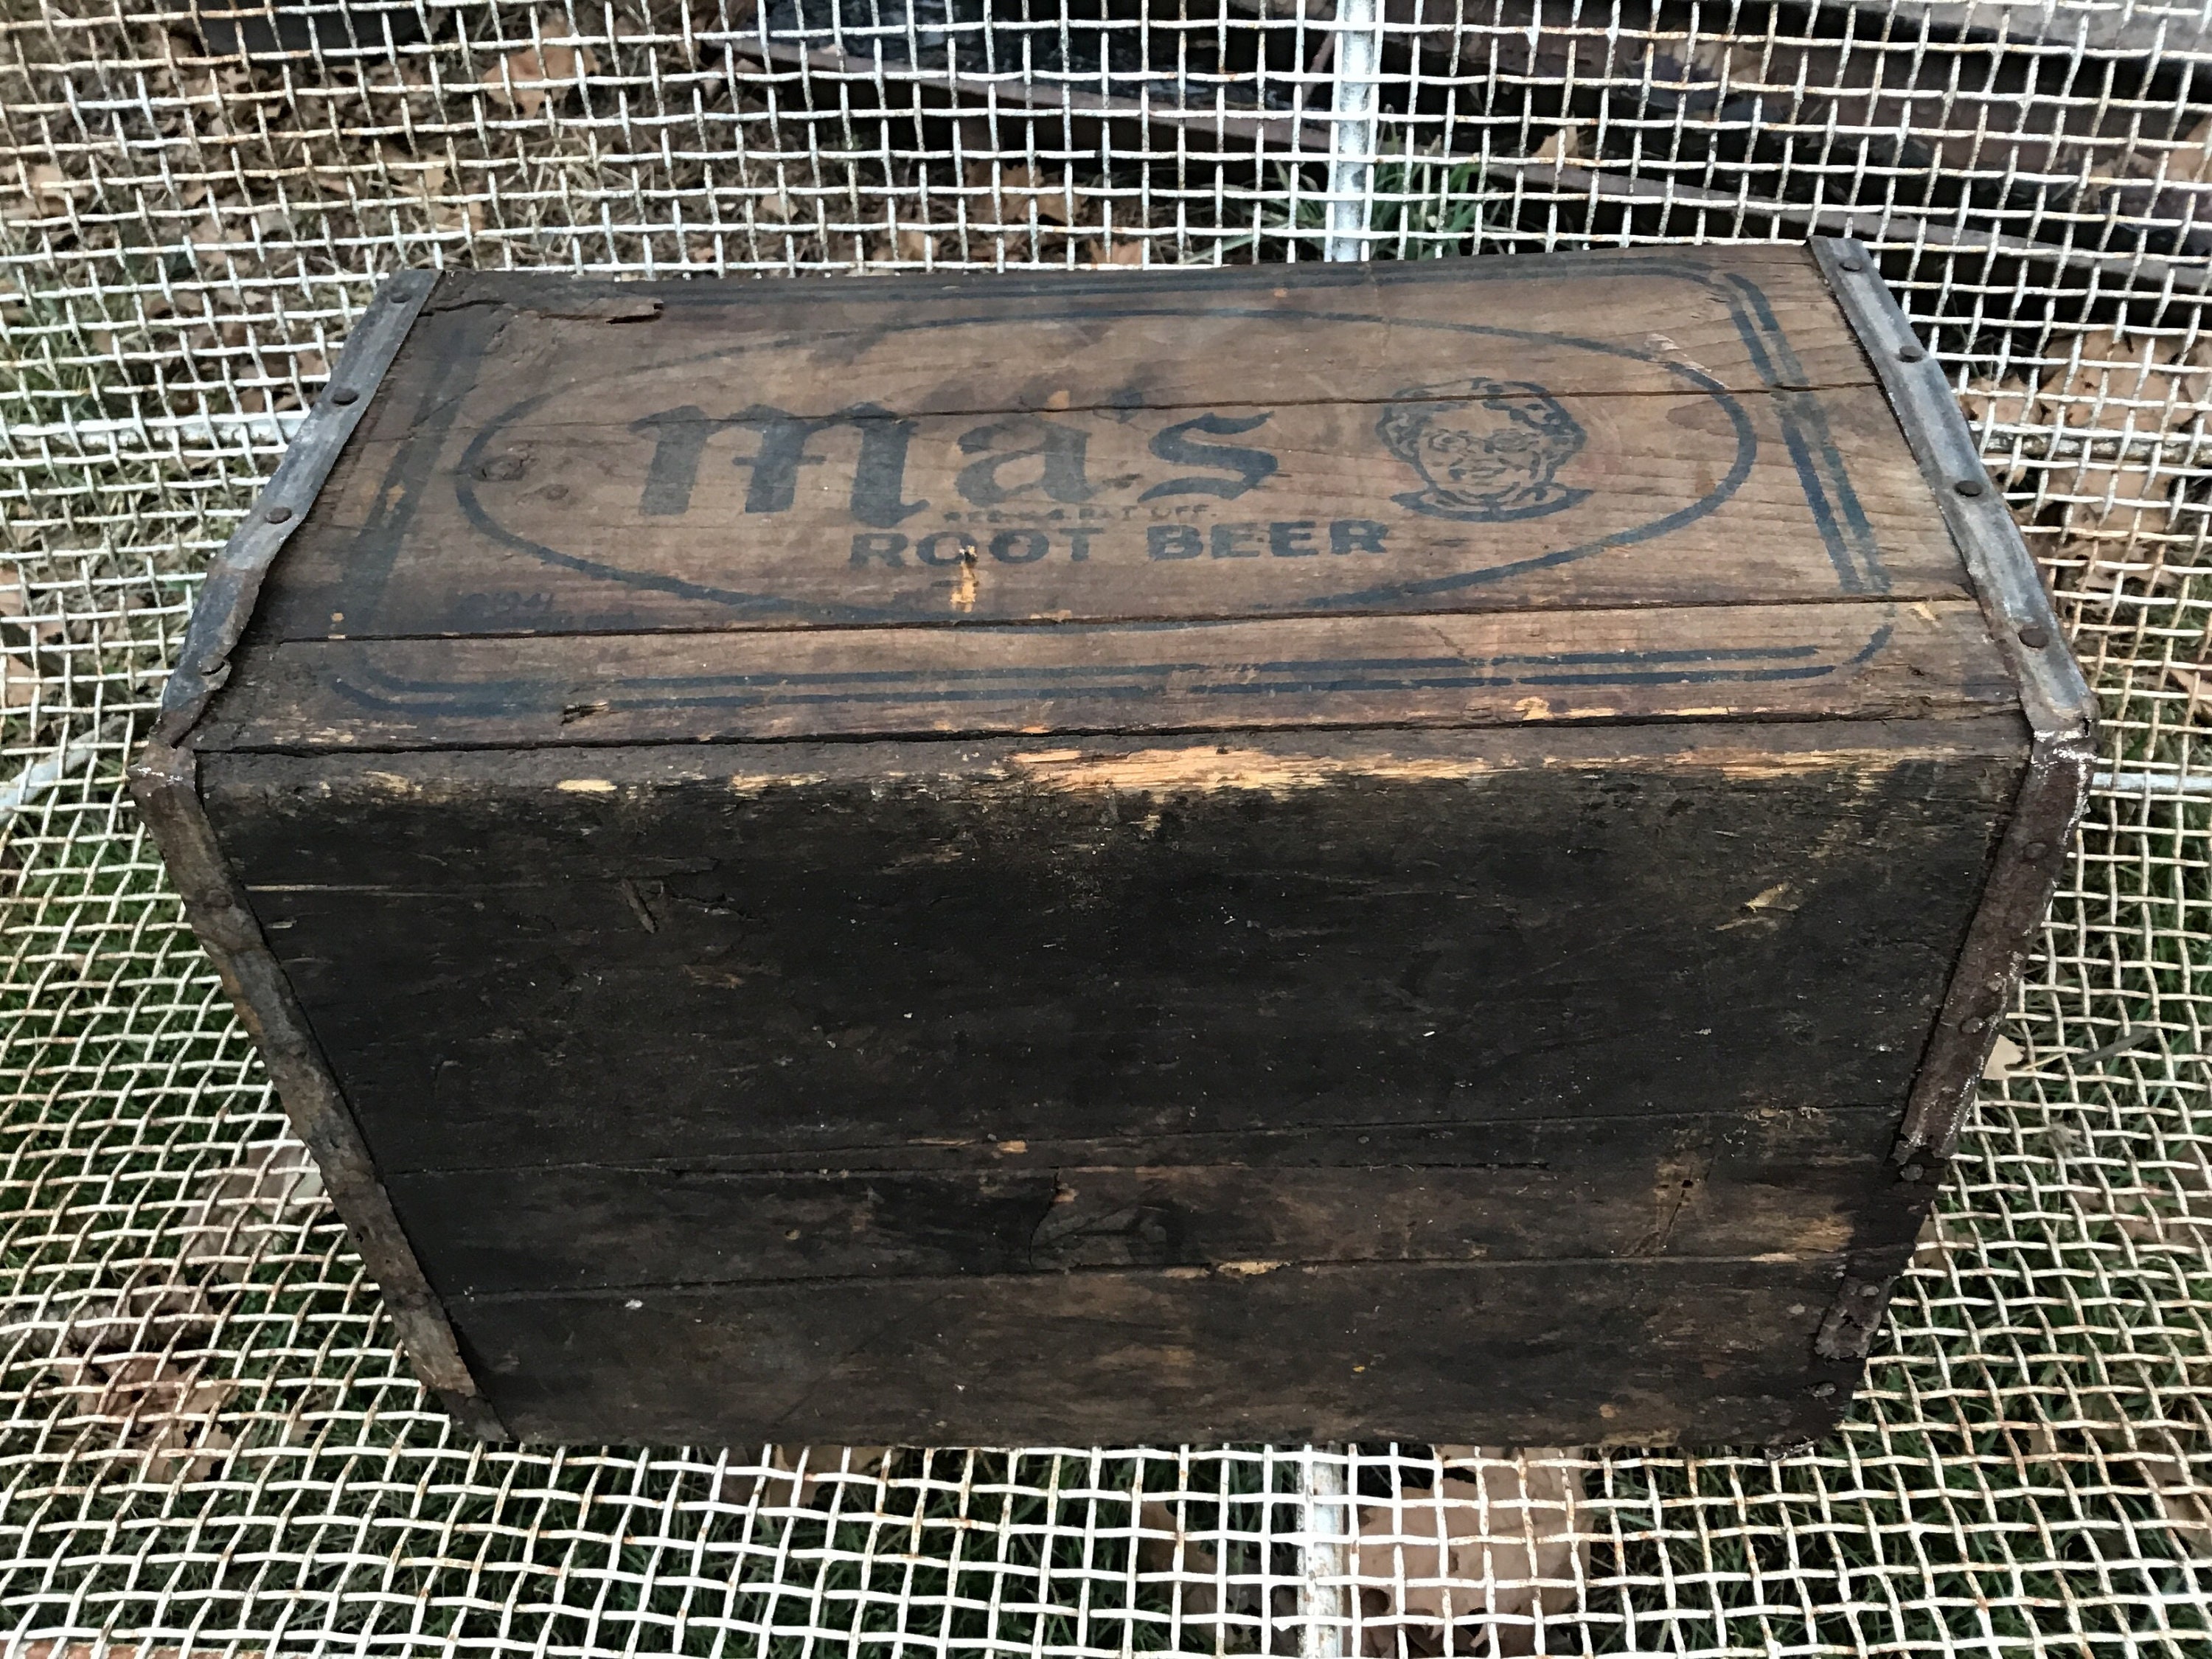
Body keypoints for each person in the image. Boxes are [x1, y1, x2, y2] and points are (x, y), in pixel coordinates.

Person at [1376, 377, 1591, 522]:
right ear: (1411, 447)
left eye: (1509, 441)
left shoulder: (1590, 510)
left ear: (1553, 447)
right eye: (1449, 442)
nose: (1479, 454)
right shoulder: (1386, 513)